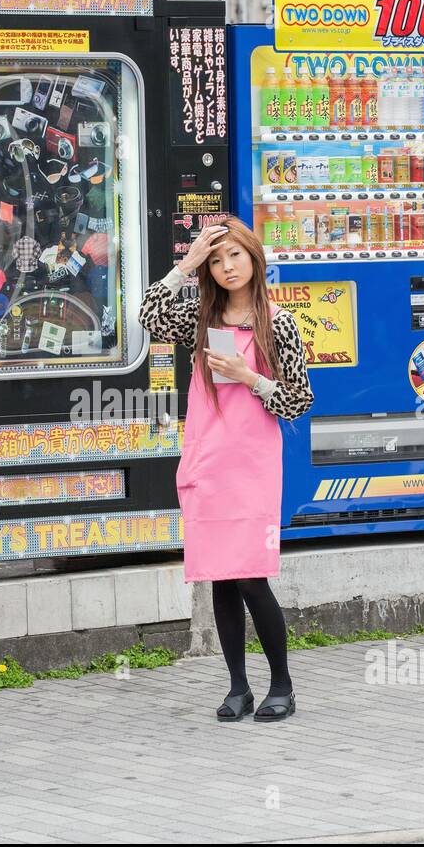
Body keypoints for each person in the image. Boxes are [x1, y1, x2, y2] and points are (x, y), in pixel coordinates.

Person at [139, 218, 314, 722]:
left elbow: (298, 401)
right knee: (219, 577)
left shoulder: (278, 323)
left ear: (254, 258)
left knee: (251, 577)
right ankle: (238, 686)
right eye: (216, 261)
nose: (227, 267)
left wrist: (249, 377)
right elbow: (149, 316)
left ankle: (281, 683)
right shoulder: (200, 317)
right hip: (208, 458)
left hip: (253, 465)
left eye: (234, 256)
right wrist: (186, 263)